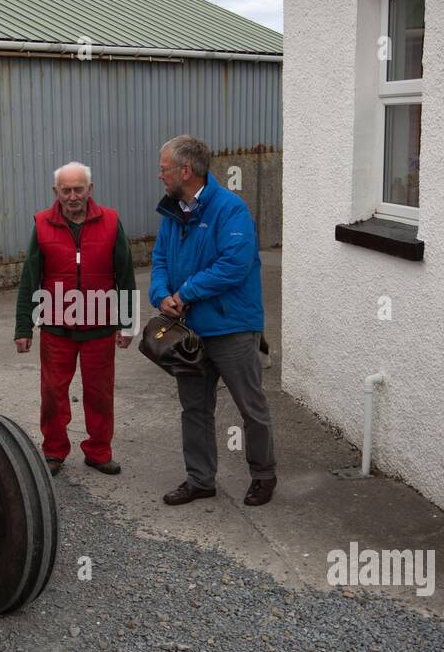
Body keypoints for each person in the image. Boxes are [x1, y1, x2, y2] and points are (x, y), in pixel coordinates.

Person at [150, 135, 278, 505]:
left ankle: (263, 475)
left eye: (164, 169)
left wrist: (185, 294)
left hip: (232, 328)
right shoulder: (172, 212)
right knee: (194, 408)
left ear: (185, 171)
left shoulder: (231, 210)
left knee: (250, 407)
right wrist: (161, 296)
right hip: (189, 332)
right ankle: (200, 479)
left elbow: (234, 266)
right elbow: (159, 261)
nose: (160, 176)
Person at [14, 162, 136, 476]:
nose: (72, 196)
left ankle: (99, 452)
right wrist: (23, 326)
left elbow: (124, 275)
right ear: (56, 192)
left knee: (99, 393)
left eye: (78, 189)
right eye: (65, 190)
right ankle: (54, 451)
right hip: (57, 327)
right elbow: (30, 278)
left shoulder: (110, 221)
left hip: (100, 327)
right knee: (53, 394)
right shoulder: (42, 224)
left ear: (90, 190)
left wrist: (128, 323)